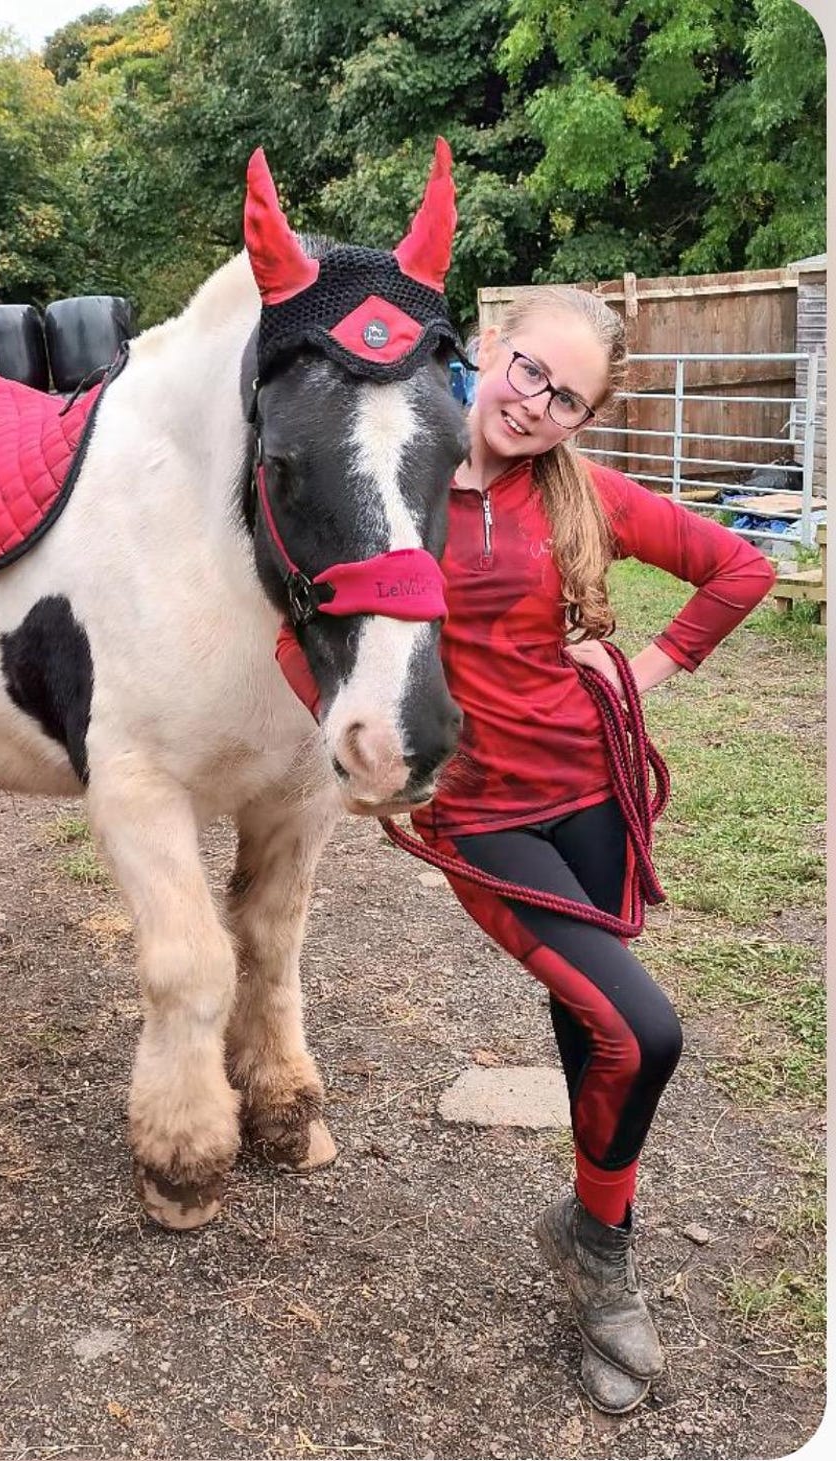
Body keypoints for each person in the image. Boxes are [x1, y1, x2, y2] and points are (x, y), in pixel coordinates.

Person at [277, 284, 776, 1414]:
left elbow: (741, 570)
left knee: (591, 1033)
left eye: (569, 400)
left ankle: (598, 1233)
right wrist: (358, 733)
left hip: (590, 795)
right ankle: (597, 1251)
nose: (538, 404)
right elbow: (295, 619)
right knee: (645, 1032)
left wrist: (641, 670)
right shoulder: (391, 485)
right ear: (490, 350)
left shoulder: (581, 498)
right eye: (529, 373)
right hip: (481, 813)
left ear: (586, 419)